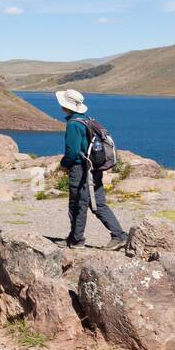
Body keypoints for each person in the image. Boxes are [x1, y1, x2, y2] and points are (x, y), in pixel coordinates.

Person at [56, 88, 126, 248]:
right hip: (94, 167)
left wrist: (64, 164)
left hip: (80, 169)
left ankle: (76, 239)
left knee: (77, 203)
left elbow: (72, 151)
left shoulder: (73, 124)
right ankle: (119, 235)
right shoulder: (86, 120)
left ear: (65, 105)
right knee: (99, 203)